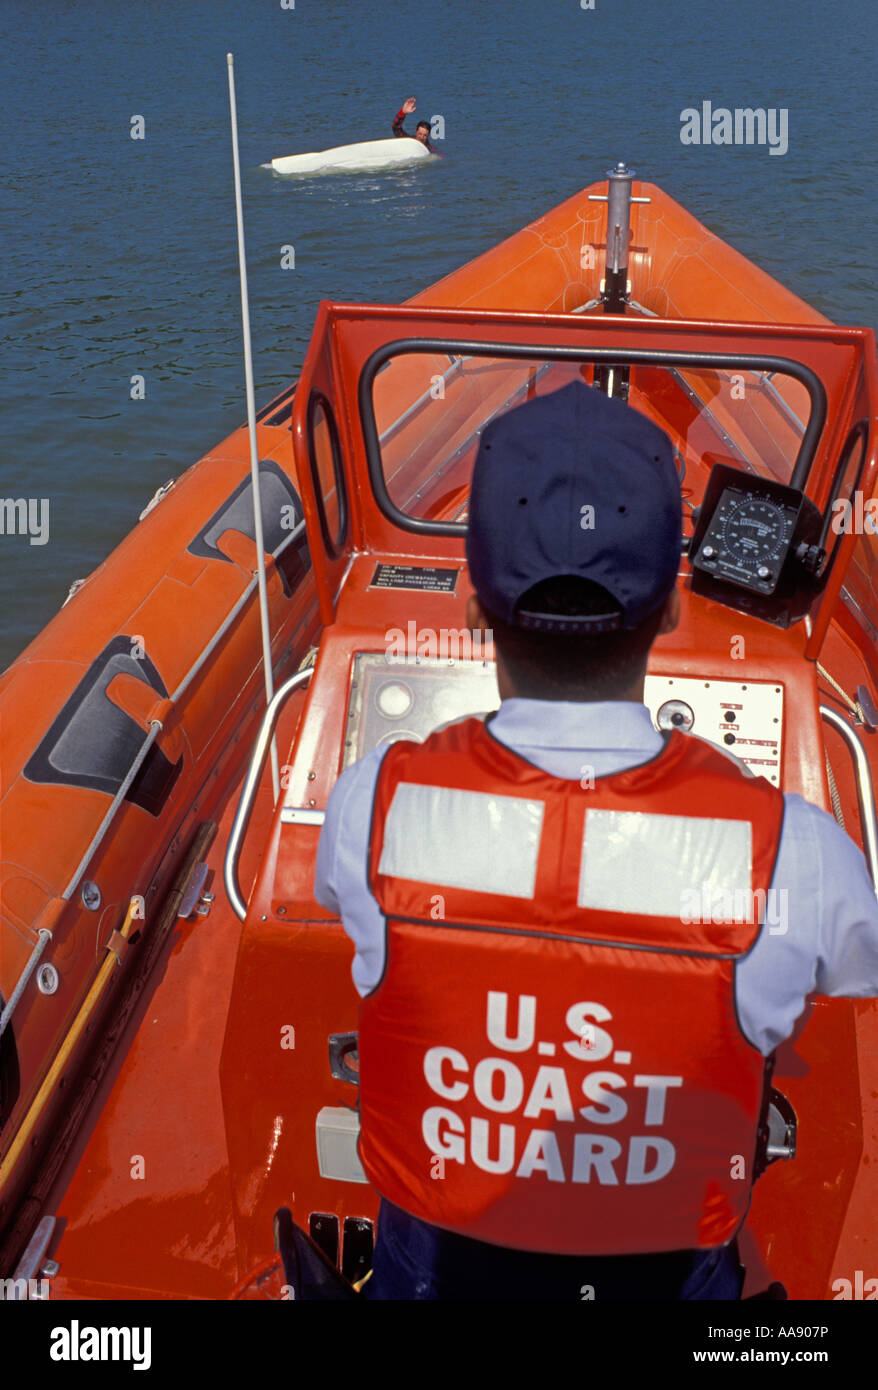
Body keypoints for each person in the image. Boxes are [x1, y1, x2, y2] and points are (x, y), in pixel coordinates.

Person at [314, 380, 878, 1301]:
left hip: (433, 1278)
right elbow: (855, 969)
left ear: (470, 608)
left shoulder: (370, 806)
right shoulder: (799, 856)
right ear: (669, 611)